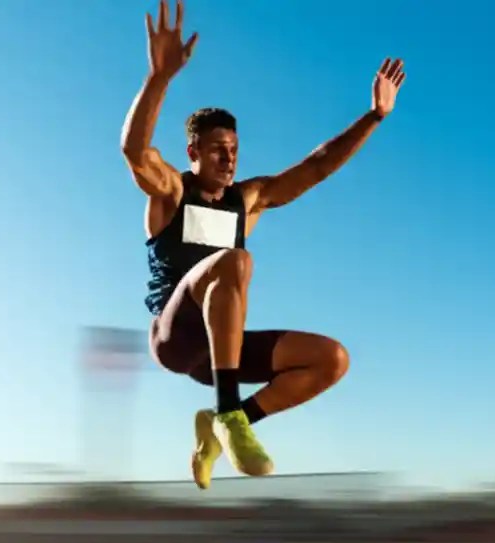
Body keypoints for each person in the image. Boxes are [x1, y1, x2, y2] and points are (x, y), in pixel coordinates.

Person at [120, 0, 405, 489]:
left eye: (233, 150)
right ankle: (229, 411)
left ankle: (225, 425)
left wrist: (374, 117)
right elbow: (134, 151)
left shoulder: (247, 201)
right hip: (175, 339)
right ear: (193, 152)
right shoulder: (171, 191)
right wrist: (159, 78)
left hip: (217, 354)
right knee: (233, 261)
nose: (228, 159)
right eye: (216, 150)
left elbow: (314, 167)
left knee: (331, 359)